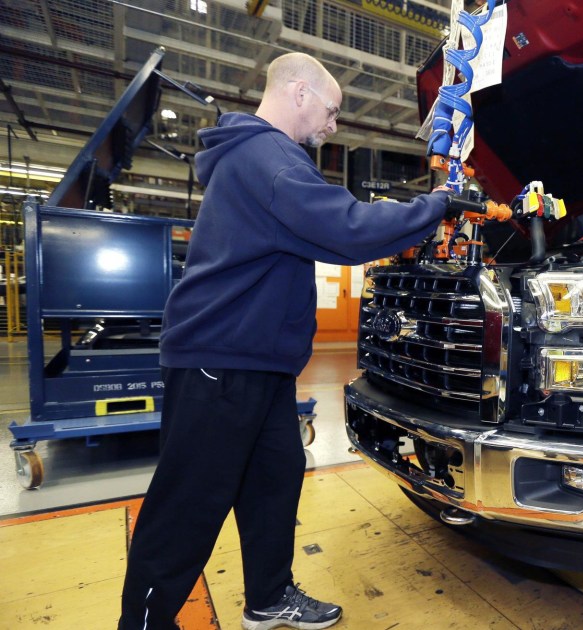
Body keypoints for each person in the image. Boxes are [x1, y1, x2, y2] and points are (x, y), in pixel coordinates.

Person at [118, 52, 451, 630]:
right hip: (220, 358)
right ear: (299, 93)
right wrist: (437, 205)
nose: (333, 126)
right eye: (332, 110)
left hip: (258, 361)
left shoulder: (259, 158)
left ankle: (268, 596)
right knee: (189, 501)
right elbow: (345, 228)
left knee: (274, 477)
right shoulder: (268, 159)